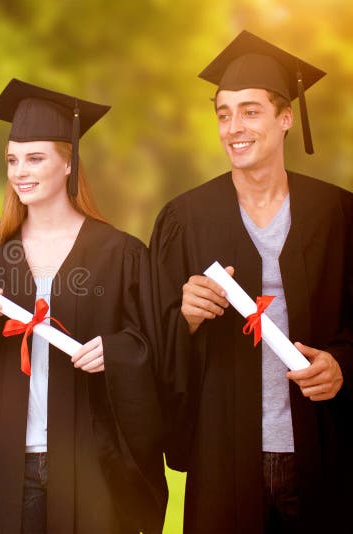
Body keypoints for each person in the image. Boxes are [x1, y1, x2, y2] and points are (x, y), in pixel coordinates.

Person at [0, 78, 167, 534]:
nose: (20, 171)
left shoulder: (120, 254)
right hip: (8, 462)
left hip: (91, 464)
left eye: (35, 158)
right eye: (12, 160)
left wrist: (116, 351)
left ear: (68, 162)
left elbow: (153, 348)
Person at [150, 31, 353, 533]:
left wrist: (342, 365)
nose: (233, 127)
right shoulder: (184, 219)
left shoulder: (338, 213)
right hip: (222, 456)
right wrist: (185, 318)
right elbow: (150, 342)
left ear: (286, 118)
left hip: (324, 452)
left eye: (250, 111)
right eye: (223, 114)